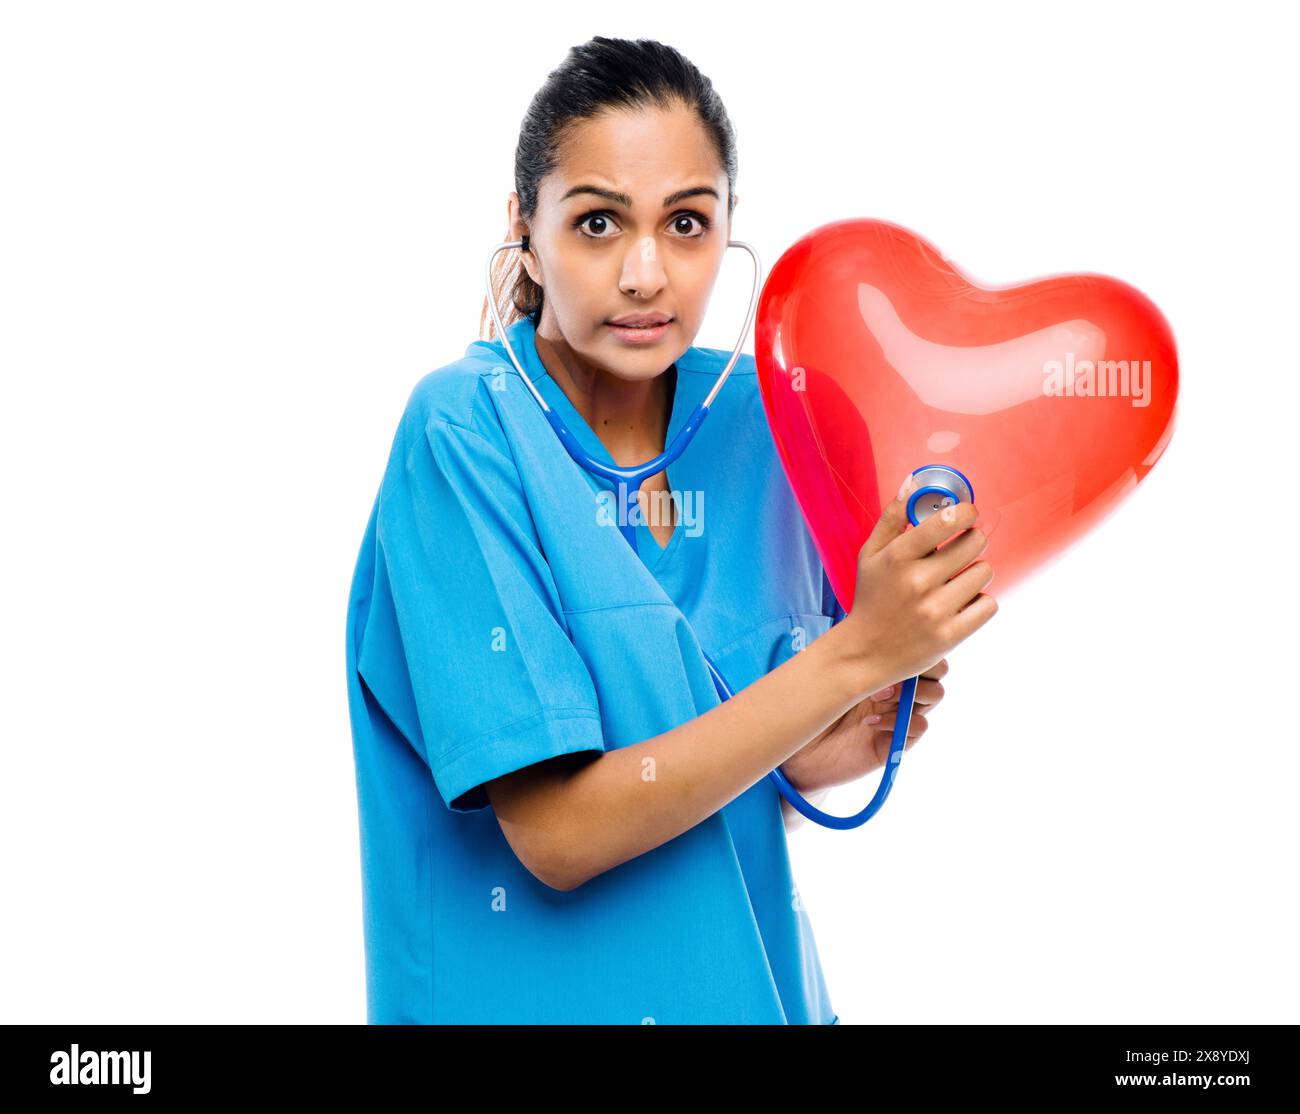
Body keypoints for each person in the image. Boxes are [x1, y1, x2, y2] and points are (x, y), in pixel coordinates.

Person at [343, 35, 997, 1025]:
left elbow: (768, 751)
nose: (646, 273)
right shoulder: (462, 432)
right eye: (598, 221)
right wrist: (859, 649)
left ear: (727, 231)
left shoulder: (757, 425)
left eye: (686, 223)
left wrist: (874, 699)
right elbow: (557, 834)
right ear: (524, 231)